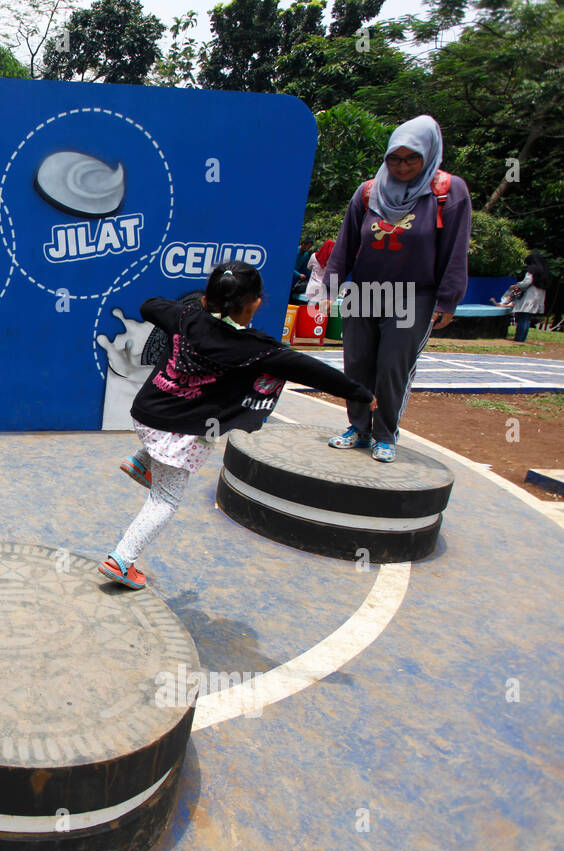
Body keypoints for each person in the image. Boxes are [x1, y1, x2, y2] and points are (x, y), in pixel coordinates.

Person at [98, 261, 376, 590]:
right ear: (255, 303)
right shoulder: (255, 349)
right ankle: (122, 559)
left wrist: (189, 310)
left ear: (206, 297)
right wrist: (358, 394)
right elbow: (310, 370)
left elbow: (149, 305)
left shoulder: (184, 316)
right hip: (179, 431)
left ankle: (141, 460)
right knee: (165, 501)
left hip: (144, 415)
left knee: (175, 432)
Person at [322, 115, 471, 462]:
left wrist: (448, 299)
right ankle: (358, 427)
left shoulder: (448, 192)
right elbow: (345, 244)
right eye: (395, 158)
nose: (402, 166)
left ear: (429, 155)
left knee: (393, 366)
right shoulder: (369, 191)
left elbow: (455, 248)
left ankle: (384, 433)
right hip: (363, 291)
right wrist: (329, 288)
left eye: (411, 159)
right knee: (357, 363)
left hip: (413, 295)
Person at [495, 253, 551, 342]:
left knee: (522, 317)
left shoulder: (532, 270)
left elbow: (527, 282)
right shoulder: (544, 272)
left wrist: (517, 285)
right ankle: (522, 338)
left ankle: (519, 338)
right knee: (527, 318)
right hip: (538, 297)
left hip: (529, 297)